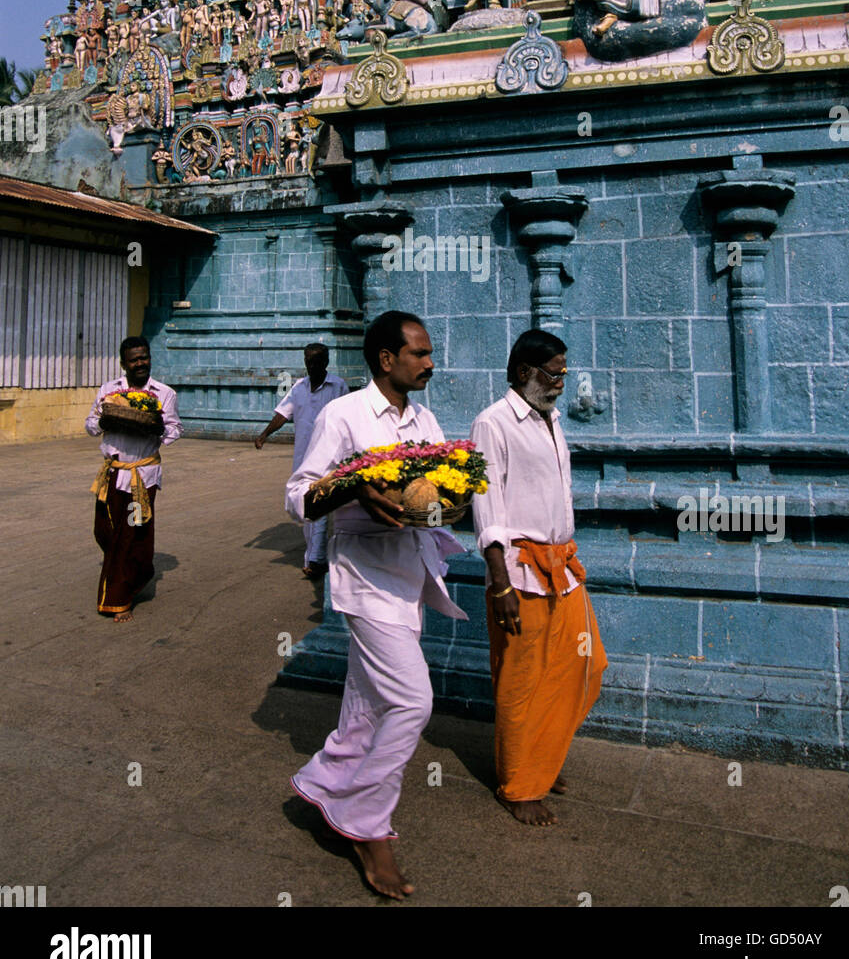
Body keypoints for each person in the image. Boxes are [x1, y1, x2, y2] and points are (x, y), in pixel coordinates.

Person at [285, 311, 467, 899]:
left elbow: (438, 490)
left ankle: (324, 785)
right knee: (413, 700)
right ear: (386, 359)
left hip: (411, 573)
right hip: (364, 578)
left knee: (367, 704)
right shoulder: (344, 415)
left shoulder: (425, 419)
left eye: (430, 353)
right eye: (420, 353)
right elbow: (299, 496)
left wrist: (454, 504)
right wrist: (356, 485)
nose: (430, 363)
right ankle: (367, 825)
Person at [470, 329, 607, 826]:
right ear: (524, 372)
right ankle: (518, 784)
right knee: (520, 680)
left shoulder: (551, 420)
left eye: (564, 373)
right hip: (520, 574)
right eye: (554, 373)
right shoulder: (493, 423)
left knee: (585, 666)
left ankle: (542, 760)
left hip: (563, 570)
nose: (561, 383)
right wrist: (499, 582)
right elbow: (487, 505)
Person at [85, 337, 181, 622]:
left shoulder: (164, 393)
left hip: (143, 478)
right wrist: (105, 420)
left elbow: (175, 431)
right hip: (112, 474)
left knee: (128, 535)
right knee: (104, 530)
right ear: (123, 363)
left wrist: (157, 426)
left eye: (144, 357)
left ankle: (117, 599)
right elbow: (90, 425)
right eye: (134, 359)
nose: (140, 363)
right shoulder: (108, 390)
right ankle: (140, 571)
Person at [254, 344, 349, 577]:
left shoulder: (338, 386)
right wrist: (265, 434)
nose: (312, 365)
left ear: (326, 362)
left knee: (323, 503)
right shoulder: (298, 388)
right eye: (308, 360)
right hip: (304, 458)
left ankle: (316, 559)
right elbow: (282, 414)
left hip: (331, 456)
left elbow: (349, 417)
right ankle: (315, 556)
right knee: (308, 505)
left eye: (317, 361)